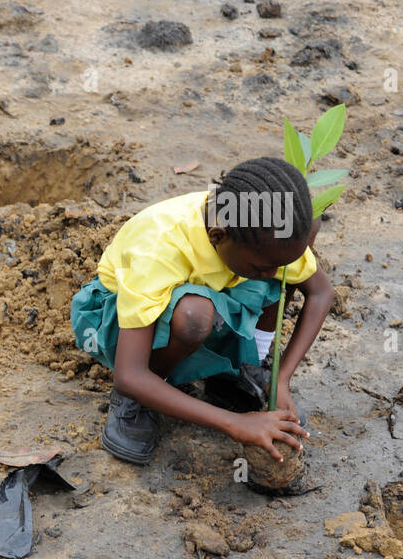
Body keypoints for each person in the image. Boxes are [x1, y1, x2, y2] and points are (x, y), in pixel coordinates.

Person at [71, 156, 335, 465]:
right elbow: (129, 374)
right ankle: (140, 400)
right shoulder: (160, 247)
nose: (274, 271)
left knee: (277, 276)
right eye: (264, 266)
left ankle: (246, 366)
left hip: (211, 294)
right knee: (195, 316)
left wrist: (282, 378)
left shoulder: (266, 234)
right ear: (218, 237)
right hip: (123, 324)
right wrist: (234, 424)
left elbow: (320, 292)